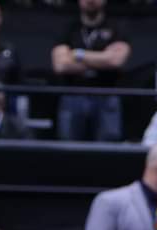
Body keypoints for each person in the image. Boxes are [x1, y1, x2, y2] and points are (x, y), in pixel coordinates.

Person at [51, 0, 130, 142]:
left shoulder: (116, 28)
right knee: (68, 149)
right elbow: (61, 65)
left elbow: (115, 61)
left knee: (107, 151)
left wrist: (77, 54)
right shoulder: (68, 29)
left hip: (106, 95)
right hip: (73, 95)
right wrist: (102, 59)